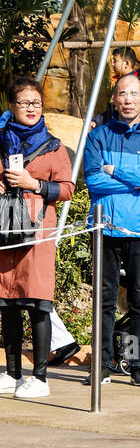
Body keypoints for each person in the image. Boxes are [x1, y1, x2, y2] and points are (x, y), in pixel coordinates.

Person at [83, 74, 140, 387]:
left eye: (134, 94)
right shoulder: (98, 136)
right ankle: (103, 364)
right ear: (115, 99)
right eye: (122, 94)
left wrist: (114, 169)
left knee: (138, 301)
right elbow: (93, 181)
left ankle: (136, 364)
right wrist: (135, 175)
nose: (128, 99)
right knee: (103, 301)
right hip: (104, 226)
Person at [0, 77, 74, 399]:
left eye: (36, 103)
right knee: (8, 303)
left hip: (39, 231)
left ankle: (40, 377)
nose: (31, 109)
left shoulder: (55, 146)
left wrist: (35, 184)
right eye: (24, 103)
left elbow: (68, 188)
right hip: (5, 229)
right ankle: (13, 373)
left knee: (38, 302)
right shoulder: (1, 142)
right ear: (11, 107)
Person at [91, 48, 140, 127]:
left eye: (115, 61)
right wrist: (96, 121)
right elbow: (112, 112)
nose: (112, 64)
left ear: (126, 64)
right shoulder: (119, 84)